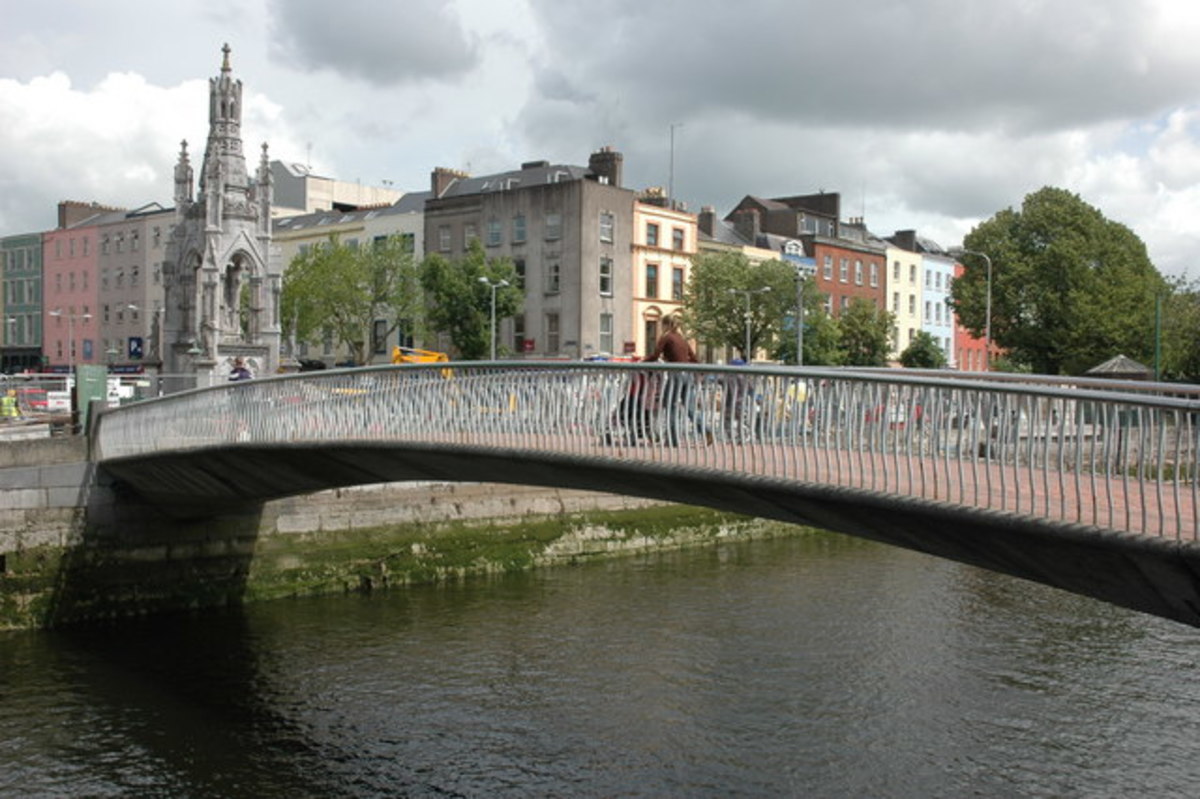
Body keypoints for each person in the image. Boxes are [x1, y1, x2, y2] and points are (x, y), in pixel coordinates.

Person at [645, 316, 704, 445]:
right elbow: (693, 357)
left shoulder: (666, 337)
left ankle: (672, 439)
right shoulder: (682, 339)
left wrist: (642, 362)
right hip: (687, 375)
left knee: (670, 405)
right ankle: (705, 430)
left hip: (675, 375)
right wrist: (701, 371)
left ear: (666, 324)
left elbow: (655, 355)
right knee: (690, 408)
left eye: (662, 324)